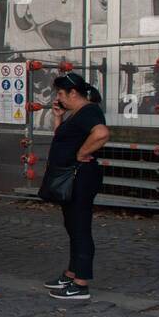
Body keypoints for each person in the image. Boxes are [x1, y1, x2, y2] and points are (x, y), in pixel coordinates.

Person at [42, 71, 110, 301]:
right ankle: (71, 273)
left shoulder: (89, 111)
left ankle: (81, 283)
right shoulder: (76, 113)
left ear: (73, 92)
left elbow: (101, 133)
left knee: (80, 226)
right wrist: (59, 117)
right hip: (71, 177)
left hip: (81, 177)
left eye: (61, 93)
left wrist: (83, 152)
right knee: (72, 224)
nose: (59, 98)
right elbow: (62, 139)